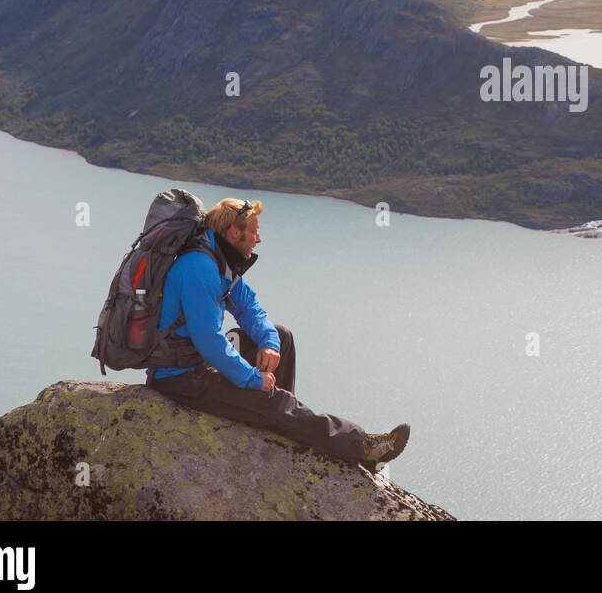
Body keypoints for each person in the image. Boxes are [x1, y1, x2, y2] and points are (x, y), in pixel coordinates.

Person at [147, 197, 409, 468]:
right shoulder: (199, 268)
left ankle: (279, 422)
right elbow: (209, 342)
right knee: (275, 400)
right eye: (254, 231)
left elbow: (249, 308)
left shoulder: (218, 260)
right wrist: (253, 379)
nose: (258, 238)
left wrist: (269, 343)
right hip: (181, 377)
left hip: (196, 363)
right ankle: (361, 447)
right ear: (235, 233)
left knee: (281, 336)